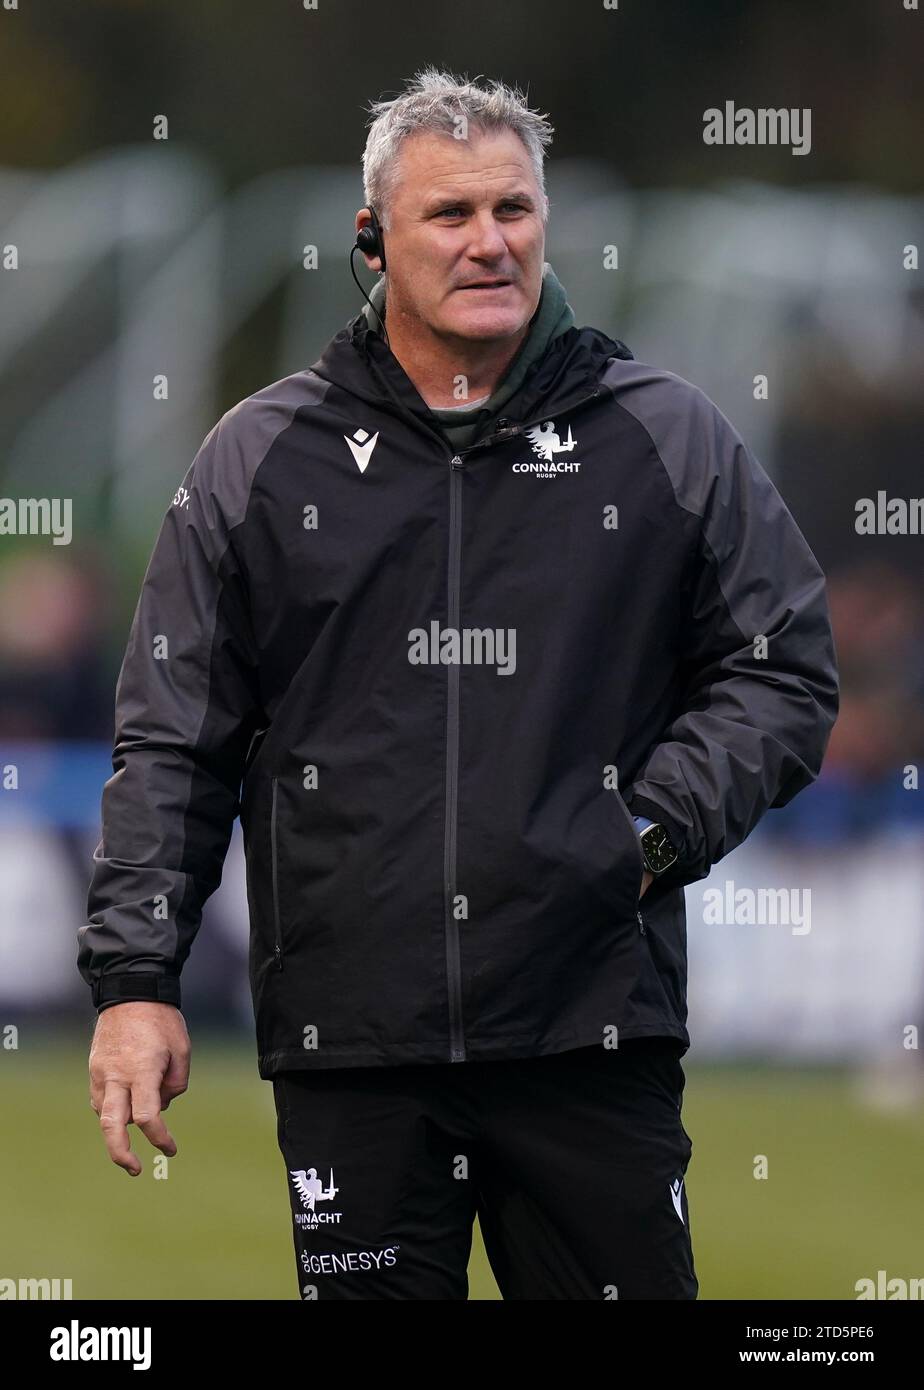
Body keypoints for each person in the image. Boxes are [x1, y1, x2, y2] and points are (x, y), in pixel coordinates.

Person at [79, 66, 839, 1300]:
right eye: (451, 215)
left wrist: (639, 834)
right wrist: (133, 982)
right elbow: (173, 739)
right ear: (373, 240)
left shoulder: (667, 435)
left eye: (515, 210)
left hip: (590, 1024)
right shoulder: (258, 457)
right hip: (351, 1041)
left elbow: (784, 670)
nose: (491, 242)